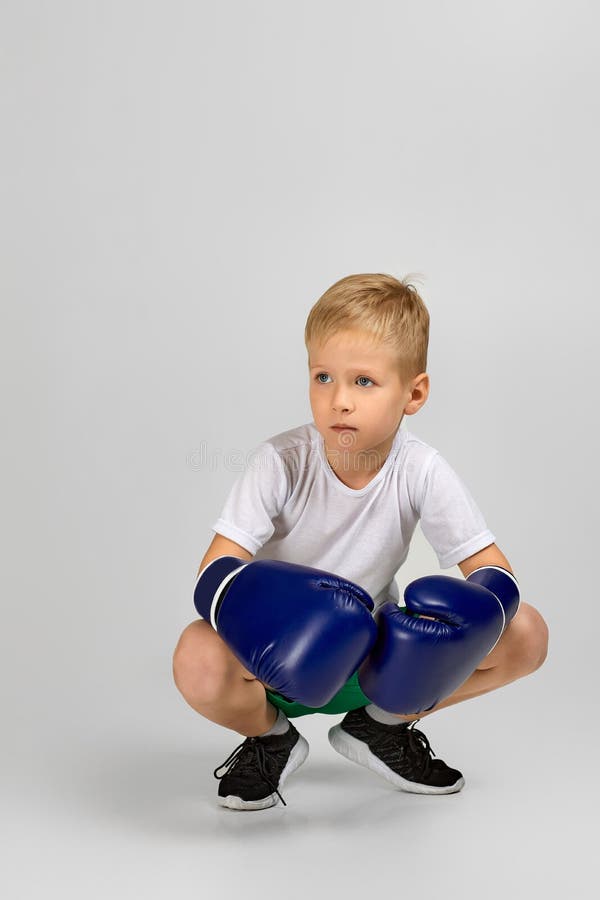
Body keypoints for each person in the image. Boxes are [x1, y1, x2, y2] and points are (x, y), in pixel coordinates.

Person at [173, 273, 549, 811]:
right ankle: (270, 738)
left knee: (528, 633)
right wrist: (277, 622)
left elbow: (496, 573)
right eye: (323, 376)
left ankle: (382, 728)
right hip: (273, 660)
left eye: (364, 382)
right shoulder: (279, 461)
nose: (339, 401)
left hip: (379, 667)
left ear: (413, 393)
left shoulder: (421, 470)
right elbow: (213, 575)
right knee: (194, 654)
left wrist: (467, 618)